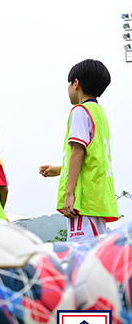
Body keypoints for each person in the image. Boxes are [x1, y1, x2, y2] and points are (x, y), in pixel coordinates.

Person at [39, 59, 118, 243]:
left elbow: (78, 152)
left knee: (84, 257)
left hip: (83, 201)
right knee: (95, 252)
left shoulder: (79, 111)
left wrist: (69, 195)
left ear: (76, 83)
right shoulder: (99, 113)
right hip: (96, 198)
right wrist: (60, 169)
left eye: (69, 83)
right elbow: (92, 155)